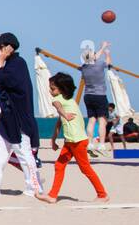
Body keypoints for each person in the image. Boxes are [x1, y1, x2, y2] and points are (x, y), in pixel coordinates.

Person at [0, 32, 44, 199]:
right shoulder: (8, 64)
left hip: (19, 117)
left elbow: (9, 83)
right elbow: (4, 91)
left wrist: (0, 64)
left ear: (9, 47)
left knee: (23, 152)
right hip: (8, 117)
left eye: (0, 46)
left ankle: (35, 187)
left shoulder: (18, 63)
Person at [36, 72, 107, 204]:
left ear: (62, 90)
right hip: (70, 142)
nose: (50, 91)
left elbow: (58, 106)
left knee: (85, 168)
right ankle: (52, 196)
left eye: (53, 88)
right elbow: (59, 120)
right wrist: (53, 138)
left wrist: (65, 114)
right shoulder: (70, 101)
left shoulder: (59, 100)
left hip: (77, 141)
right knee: (59, 165)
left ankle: (102, 195)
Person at [78, 42, 112, 156]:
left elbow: (93, 57)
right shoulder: (100, 64)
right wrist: (106, 52)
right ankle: (102, 144)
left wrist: (102, 48)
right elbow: (108, 63)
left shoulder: (84, 67)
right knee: (102, 121)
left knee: (92, 120)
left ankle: (90, 143)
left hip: (88, 96)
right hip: (100, 95)